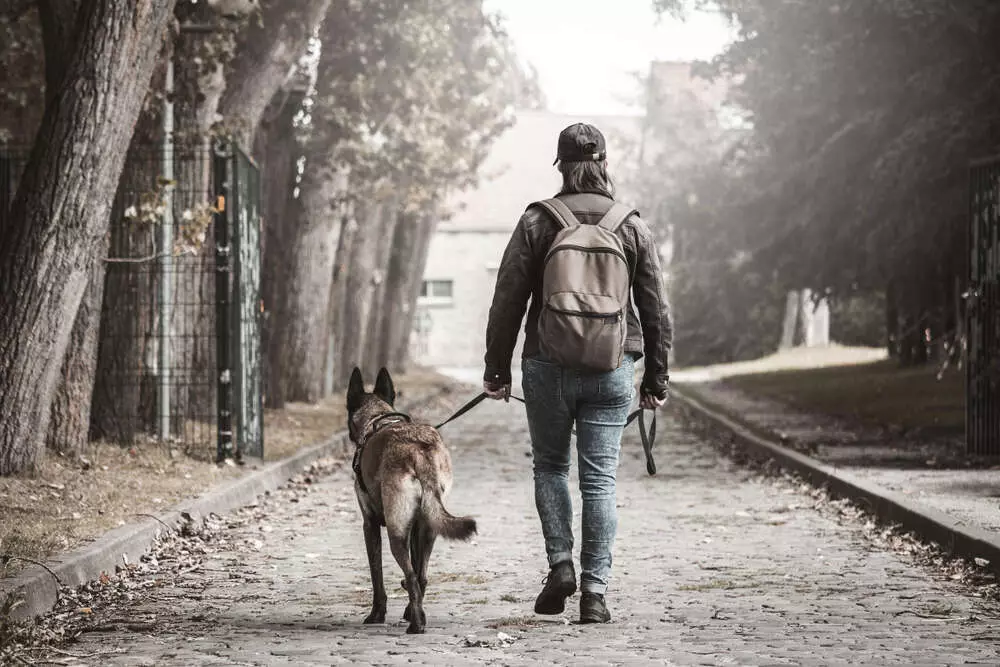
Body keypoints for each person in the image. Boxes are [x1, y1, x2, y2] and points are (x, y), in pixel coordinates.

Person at [483, 122, 673, 624]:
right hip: (612, 367)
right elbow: (655, 310)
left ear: (562, 166)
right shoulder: (630, 223)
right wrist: (656, 379)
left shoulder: (537, 220)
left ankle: (561, 564)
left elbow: (507, 299)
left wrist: (496, 370)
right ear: (604, 163)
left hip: (546, 362)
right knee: (600, 481)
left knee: (549, 467)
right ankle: (594, 593)